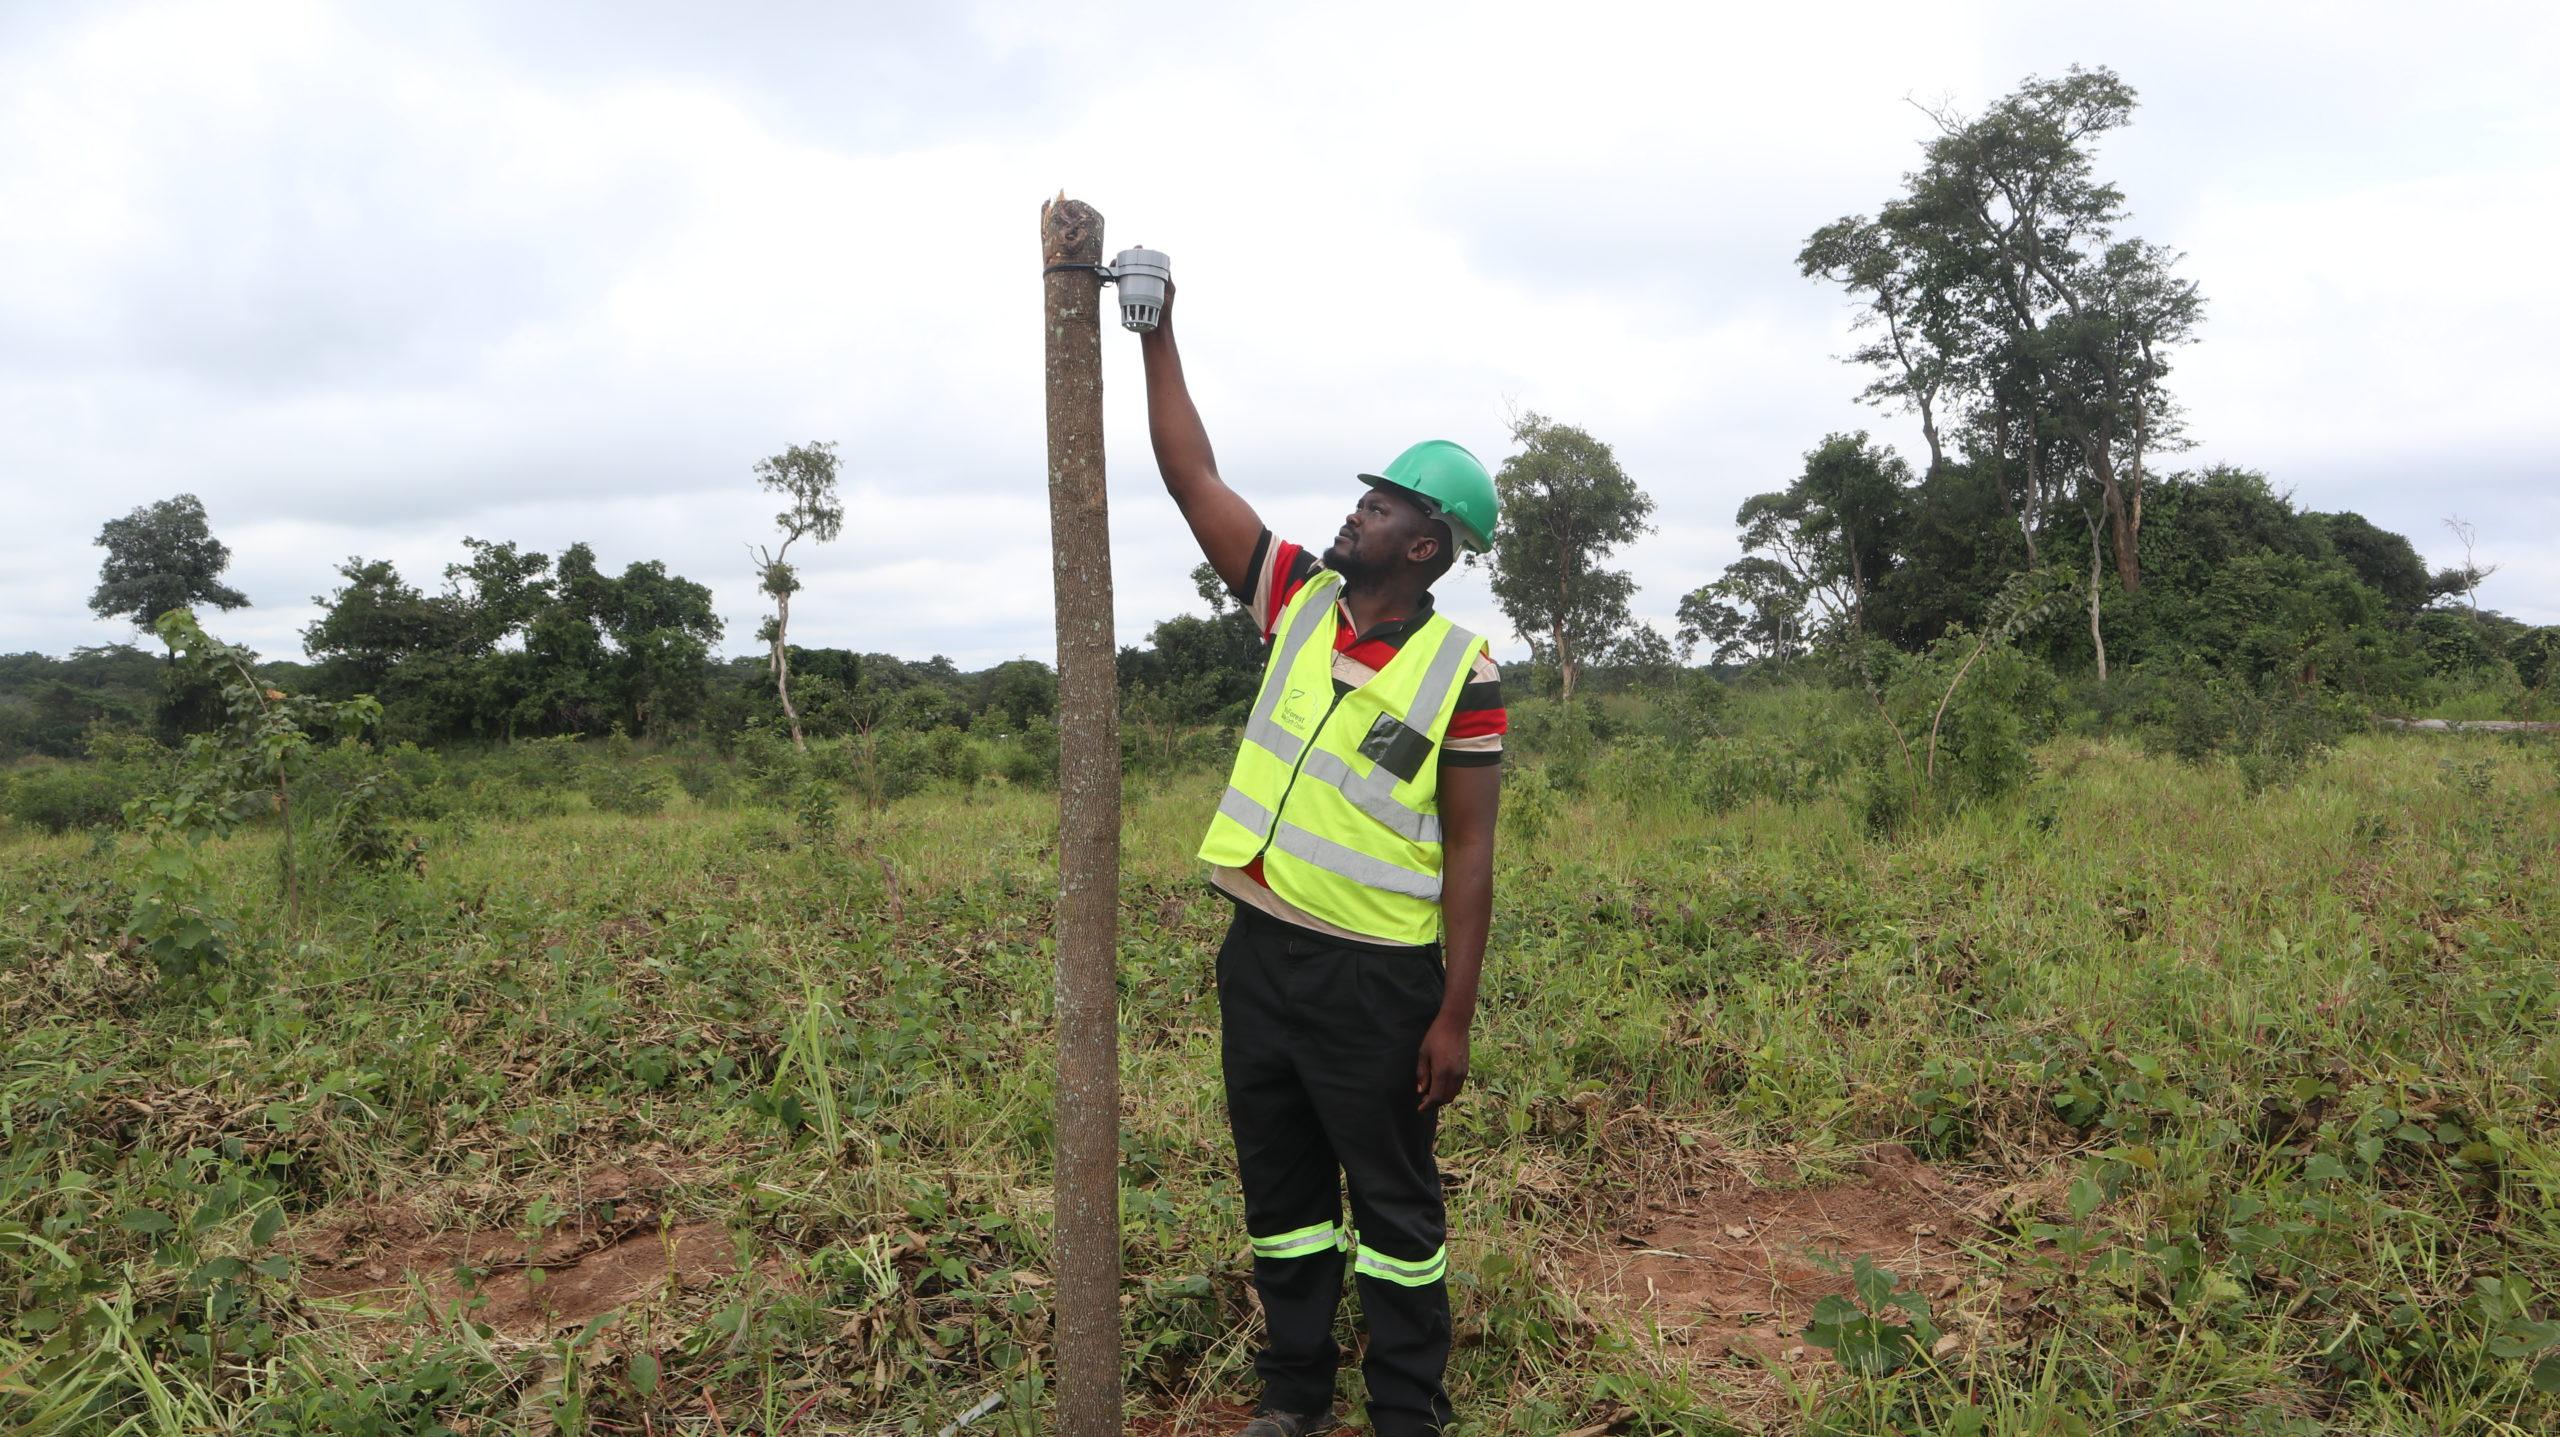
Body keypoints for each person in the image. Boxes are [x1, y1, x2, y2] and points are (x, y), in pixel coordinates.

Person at [1137, 279, 1504, 1437]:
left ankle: (1405, 1409)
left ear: (1424, 544)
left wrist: (1452, 1017)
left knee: (1394, 1209)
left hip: (1375, 983)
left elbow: (1472, 852)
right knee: (1282, 1194)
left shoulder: (1462, 673)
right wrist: (1158, 334)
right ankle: (1294, 1391)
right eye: (1364, 497)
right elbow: (1192, 478)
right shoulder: (1298, 600)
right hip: (1259, 958)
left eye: (1380, 506)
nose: (1356, 513)